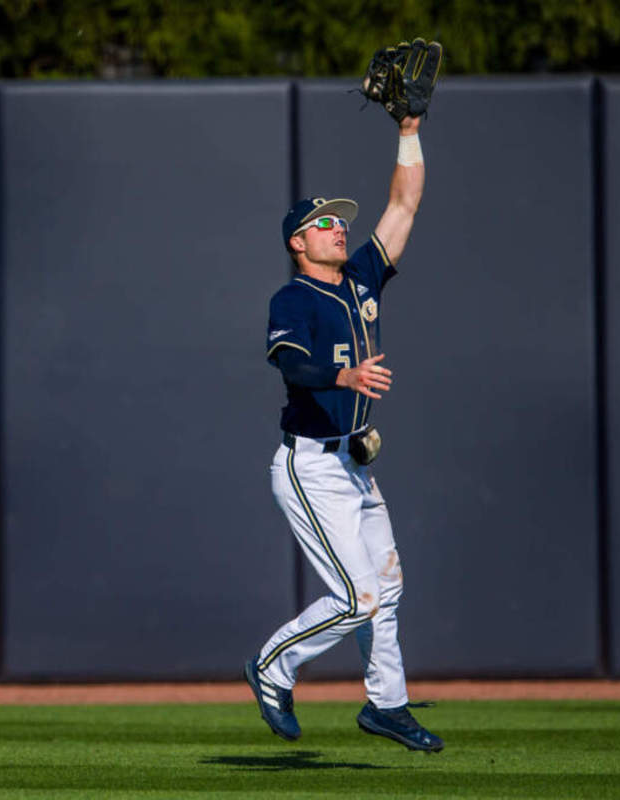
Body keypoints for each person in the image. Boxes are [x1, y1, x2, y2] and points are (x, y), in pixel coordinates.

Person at [244, 111, 443, 752]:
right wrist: (345, 375)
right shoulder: (293, 299)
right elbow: (292, 367)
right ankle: (272, 667)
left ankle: (387, 705)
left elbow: (404, 204)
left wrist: (408, 130)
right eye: (324, 223)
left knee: (387, 588)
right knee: (356, 598)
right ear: (297, 242)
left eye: (339, 222)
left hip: (354, 463)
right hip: (310, 466)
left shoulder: (359, 279)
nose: (338, 228)